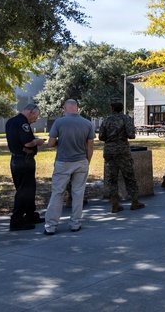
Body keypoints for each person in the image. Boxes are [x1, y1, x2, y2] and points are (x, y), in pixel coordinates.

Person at [43, 100, 95, 235]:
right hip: (81, 161)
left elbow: (50, 143)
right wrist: (87, 161)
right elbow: (90, 146)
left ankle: (51, 225)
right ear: (77, 108)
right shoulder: (87, 123)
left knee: (57, 193)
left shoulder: (59, 122)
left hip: (63, 162)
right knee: (78, 193)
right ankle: (75, 223)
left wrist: (60, 143)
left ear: (65, 109)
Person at [99, 100, 146, 213]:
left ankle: (114, 204)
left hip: (109, 150)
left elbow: (101, 136)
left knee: (112, 177)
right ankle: (134, 201)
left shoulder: (106, 120)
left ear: (112, 109)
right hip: (123, 150)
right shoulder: (126, 119)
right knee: (129, 175)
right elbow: (131, 135)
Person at [6, 103, 45, 230]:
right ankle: (17, 220)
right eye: (35, 117)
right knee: (24, 191)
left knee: (28, 188)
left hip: (16, 159)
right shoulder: (23, 124)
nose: (35, 120)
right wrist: (38, 141)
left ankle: (30, 214)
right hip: (24, 160)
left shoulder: (11, 121)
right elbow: (28, 143)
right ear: (31, 112)